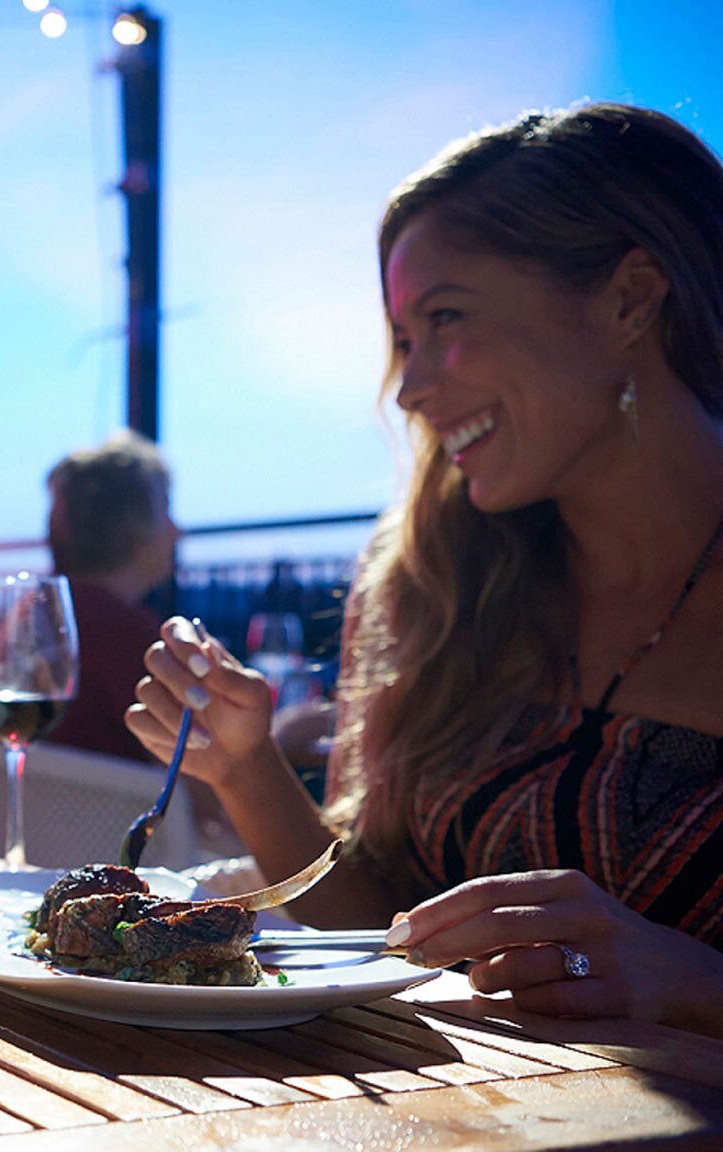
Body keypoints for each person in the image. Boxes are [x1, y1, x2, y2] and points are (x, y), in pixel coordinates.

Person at [127, 103, 723, 1037]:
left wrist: (694, 985)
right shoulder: (428, 585)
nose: (407, 387)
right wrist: (247, 771)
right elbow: (387, 932)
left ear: (630, 298)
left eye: (444, 318)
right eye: (402, 339)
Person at [43, 430, 180, 763]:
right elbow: (201, 783)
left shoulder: (36, 616)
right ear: (135, 526)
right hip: (127, 816)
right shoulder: (135, 641)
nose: (177, 531)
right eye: (165, 512)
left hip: (47, 813)